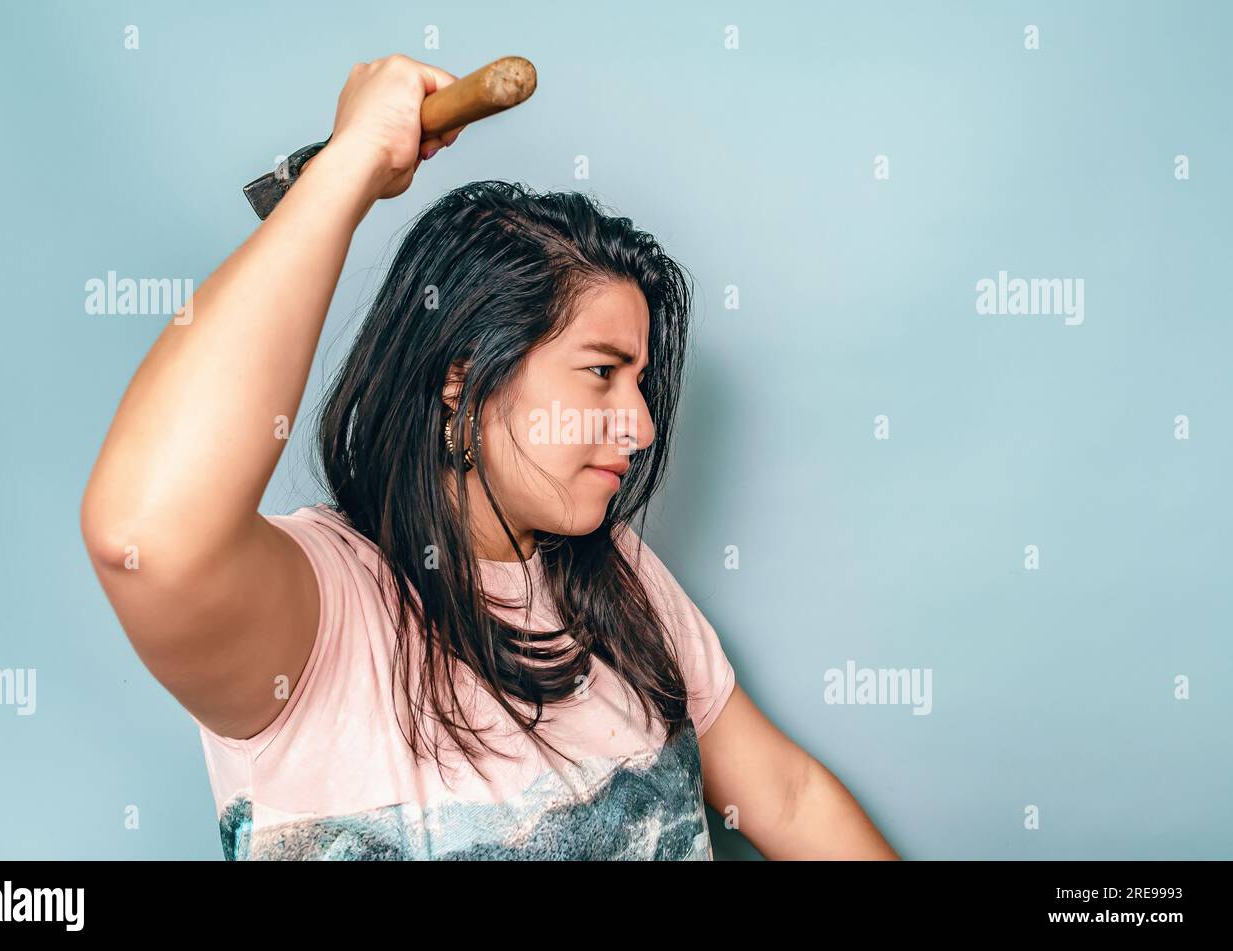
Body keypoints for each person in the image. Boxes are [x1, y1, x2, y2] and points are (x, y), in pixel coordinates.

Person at [80, 54, 899, 861]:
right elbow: (145, 538)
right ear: (463, 379)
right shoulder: (324, 618)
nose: (643, 427)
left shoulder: (620, 579)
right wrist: (351, 166)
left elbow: (787, 798)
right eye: (603, 372)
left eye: (642, 381)